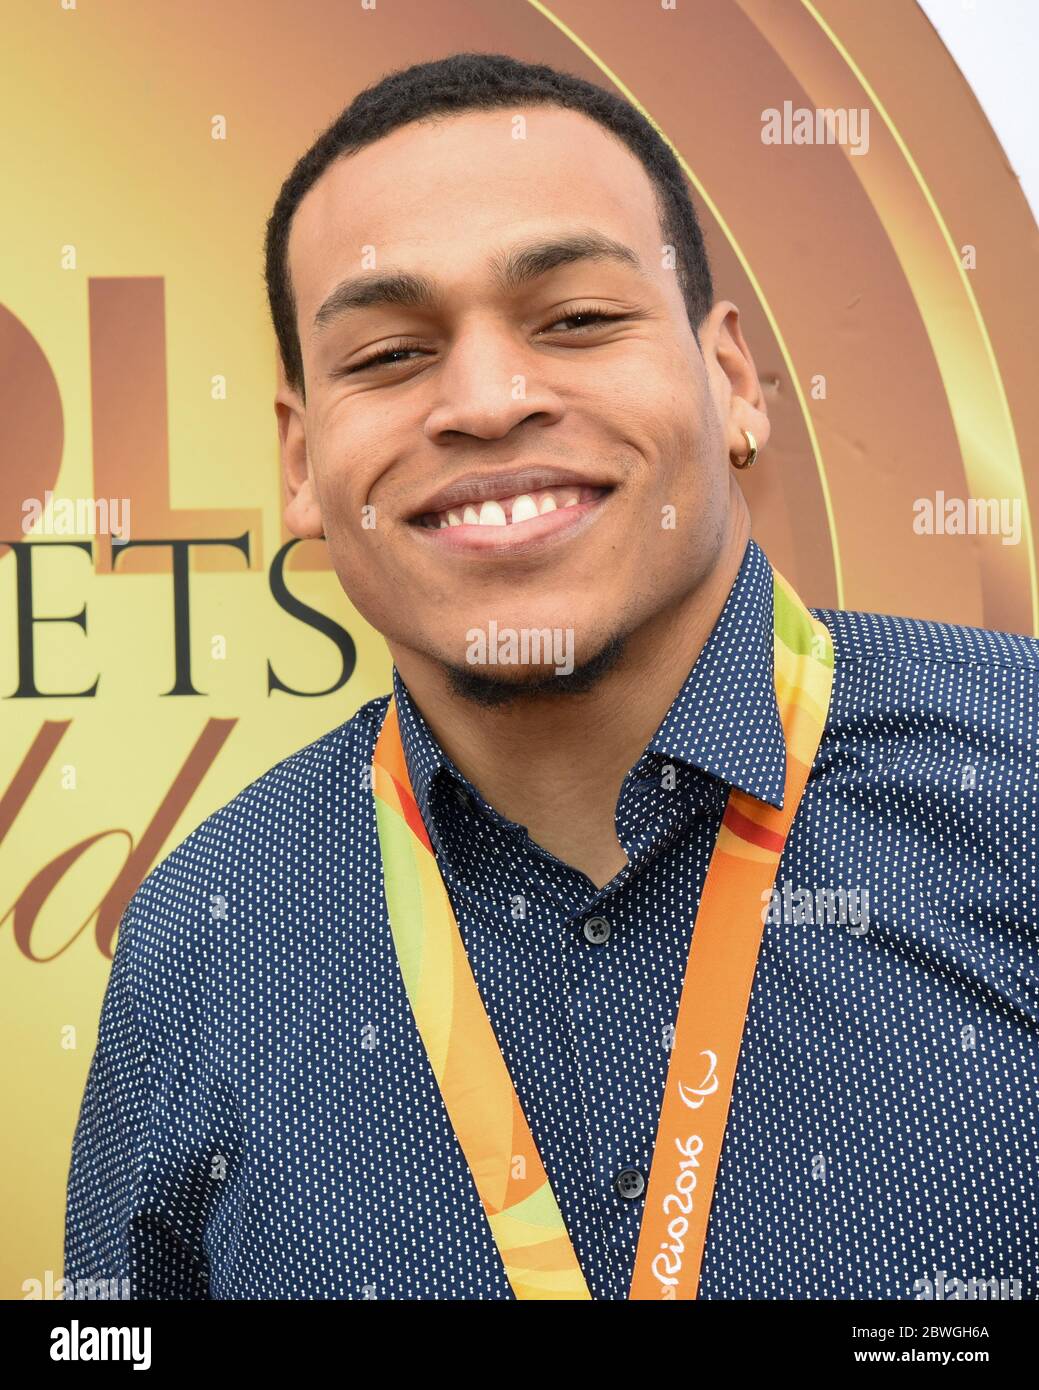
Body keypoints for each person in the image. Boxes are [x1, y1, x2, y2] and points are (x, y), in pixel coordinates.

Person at [64, 51, 1038, 1301]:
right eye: (390, 355)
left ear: (733, 382)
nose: (484, 400)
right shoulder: (203, 938)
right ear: (302, 465)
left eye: (575, 320)